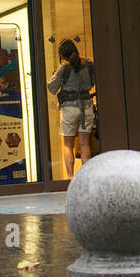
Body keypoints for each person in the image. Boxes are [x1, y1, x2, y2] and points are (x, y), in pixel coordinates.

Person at [47, 40, 95, 177]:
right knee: (85, 143)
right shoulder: (89, 64)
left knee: (68, 145)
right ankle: (86, 177)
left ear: (62, 55)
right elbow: (93, 82)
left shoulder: (64, 68)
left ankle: (70, 178)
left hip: (69, 109)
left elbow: (52, 88)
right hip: (86, 106)